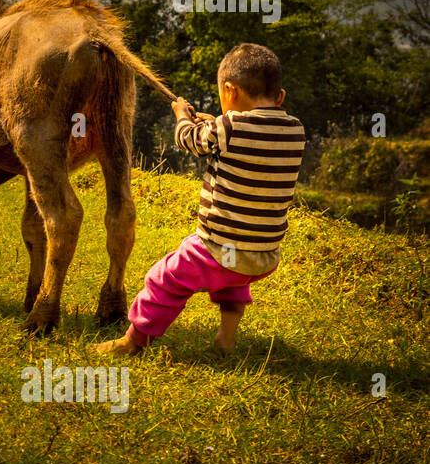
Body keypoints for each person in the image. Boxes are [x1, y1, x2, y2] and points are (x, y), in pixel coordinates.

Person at [96, 43, 304, 356]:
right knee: (233, 280)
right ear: (281, 96)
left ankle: (133, 341)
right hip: (262, 255)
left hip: (219, 248)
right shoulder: (294, 130)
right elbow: (247, 136)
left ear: (229, 91)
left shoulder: (228, 127)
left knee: (163, 279)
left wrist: (182, 116)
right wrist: (214, 123)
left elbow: (189, 140)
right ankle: (226, 340)